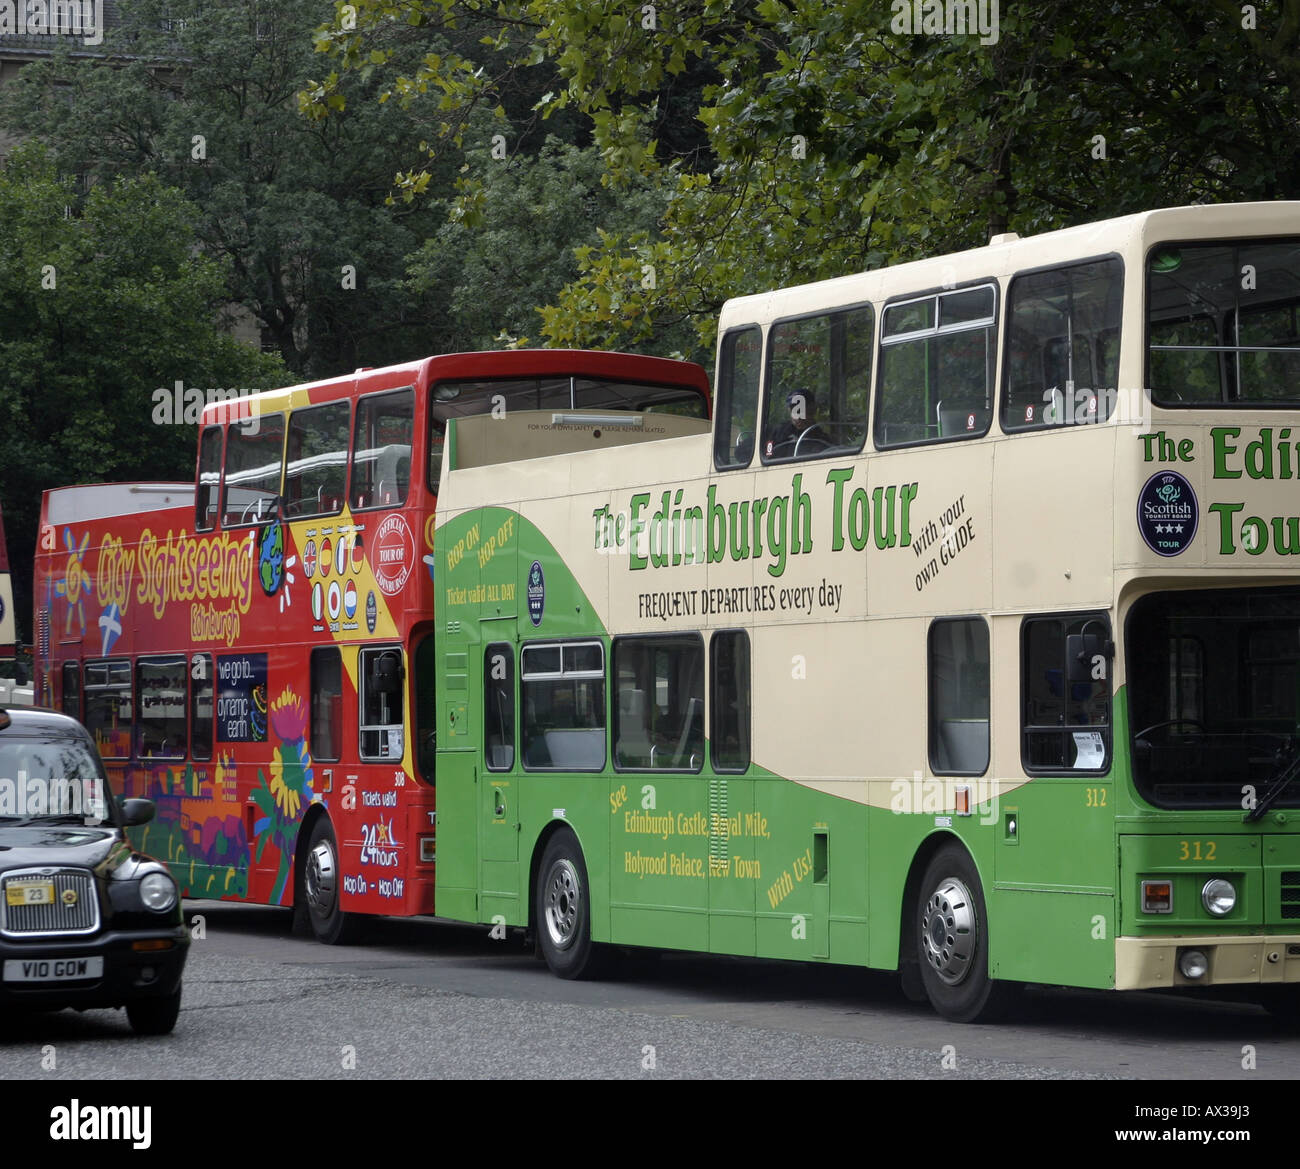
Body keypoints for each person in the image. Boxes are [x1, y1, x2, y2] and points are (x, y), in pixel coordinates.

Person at [766, 389, 824, 456]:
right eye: (794, 409)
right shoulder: (778, 432)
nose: (797, 415)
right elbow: (768, 455)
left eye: (801, 409)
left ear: (812, 409)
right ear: (789, 410)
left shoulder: (819, 436)